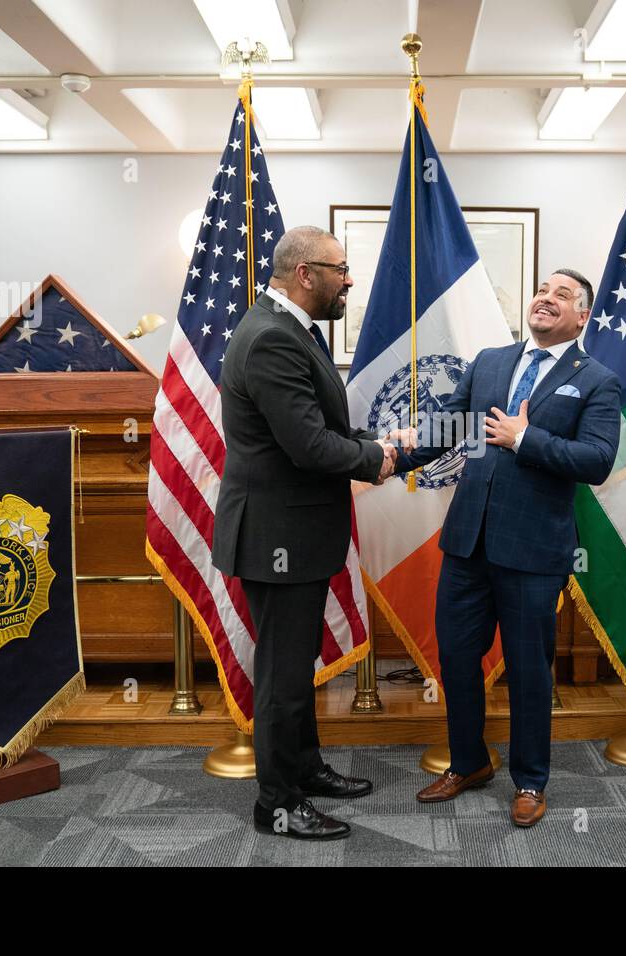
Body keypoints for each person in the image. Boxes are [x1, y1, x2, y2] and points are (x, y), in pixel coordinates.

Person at [391, 268, 621, 827]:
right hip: (468, 543)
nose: (546, 298)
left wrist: (525, 439)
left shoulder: (595, 380)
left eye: (562, 295)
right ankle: (468, 763)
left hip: (533, 551)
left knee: (528, 670)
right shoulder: (491, 361)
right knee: (457, 658)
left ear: (582, 315)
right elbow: (451, 428)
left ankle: (530, 780)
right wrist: (391, 455)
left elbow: (597, 460)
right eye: (542, 290)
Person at [212, 225, 399, 840]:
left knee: (294, 668)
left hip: (291, 532)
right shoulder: (272, 338)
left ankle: (305, 768)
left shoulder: (287, 328)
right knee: (282, 678)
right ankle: (278, 805)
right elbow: (307, 446)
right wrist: (377, 459)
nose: (349, 280)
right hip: (277, 537)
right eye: (341, 269)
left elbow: (317, 426)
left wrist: (376, 446)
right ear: (304, 273)